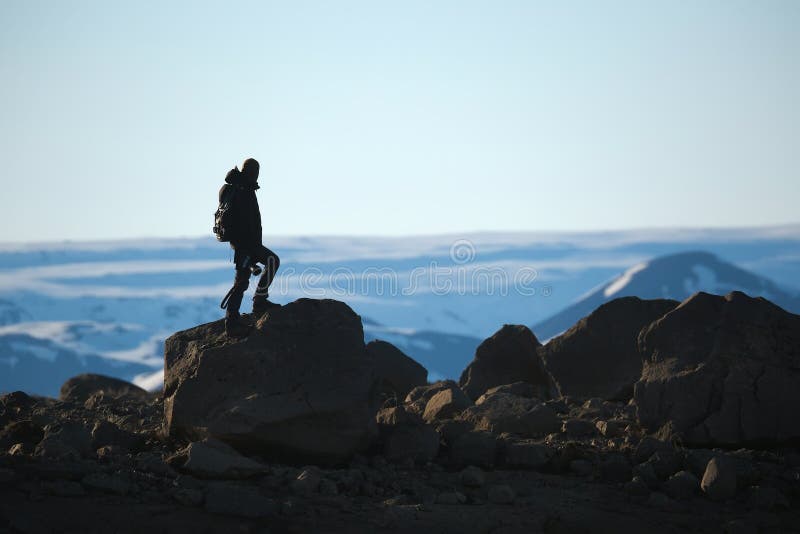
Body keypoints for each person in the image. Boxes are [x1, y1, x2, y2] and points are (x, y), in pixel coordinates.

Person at [220, 158, 280, 337]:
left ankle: (257, 302)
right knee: (242, 281)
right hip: (245, 244)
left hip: (245, 244)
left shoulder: (235, 188)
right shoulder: (241, 190)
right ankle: (233, 322)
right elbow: (244, 222)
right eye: (255, 171)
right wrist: (247, 249)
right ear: (250, 172)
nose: (257, 175)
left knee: (244, 279)